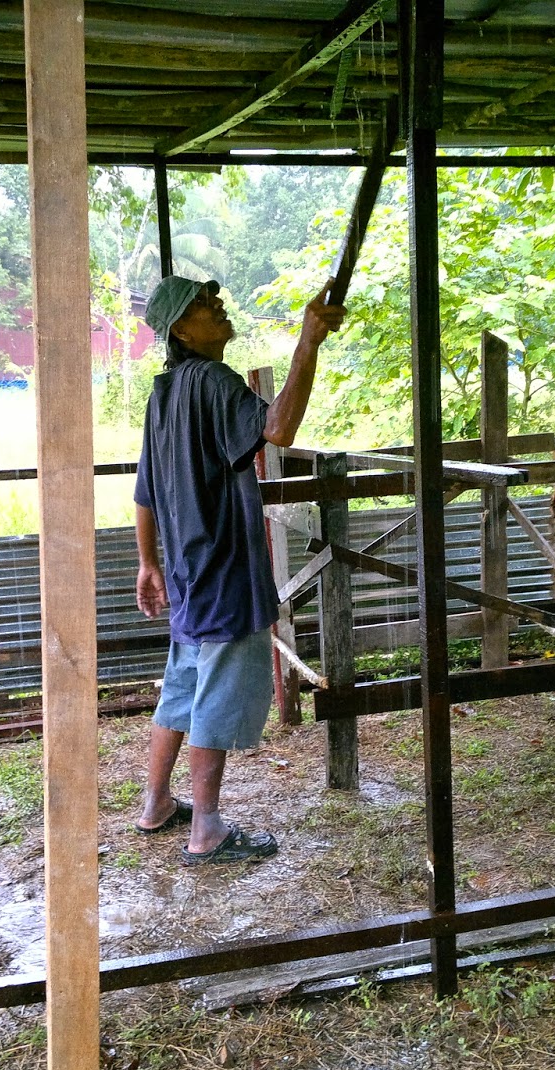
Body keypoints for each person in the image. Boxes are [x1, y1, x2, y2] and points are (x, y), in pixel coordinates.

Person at [132, 275, 345, 864]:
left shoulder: (164, 392)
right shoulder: (212, 380)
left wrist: (149, 563)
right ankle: (207, 831)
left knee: (183, 684)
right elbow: (278, 429)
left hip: (186, 571)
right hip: (224, 570)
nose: (218, 305)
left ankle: (156, 804)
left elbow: (145, 491)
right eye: (203, 304)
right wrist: (308, 342)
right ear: (181, 331)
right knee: (216, 694)